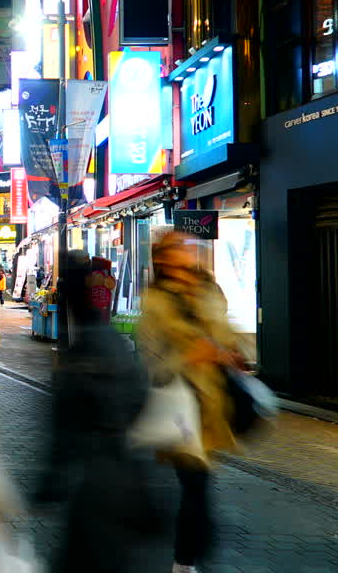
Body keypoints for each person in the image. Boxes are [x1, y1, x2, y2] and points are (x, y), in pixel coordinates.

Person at [37, 251, 159, 572]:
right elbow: (141, 396)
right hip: (127, 472)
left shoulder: (78, 355)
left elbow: (62, 426)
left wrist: (50, 482)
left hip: (92, 481)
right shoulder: (114, 342)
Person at [137, 231, 244, 573]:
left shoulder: (206, 289)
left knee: (200, 484)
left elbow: (226, 329)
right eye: (179, 248)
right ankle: (186, 559)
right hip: (178, 404)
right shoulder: (154, 302)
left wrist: (234, 352)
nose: (187, 252)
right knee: (195, 483)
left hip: (211, 404)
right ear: (164, 258)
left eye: (188, 247)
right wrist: (189, 357)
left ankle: (195, 548)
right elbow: (151, 362)